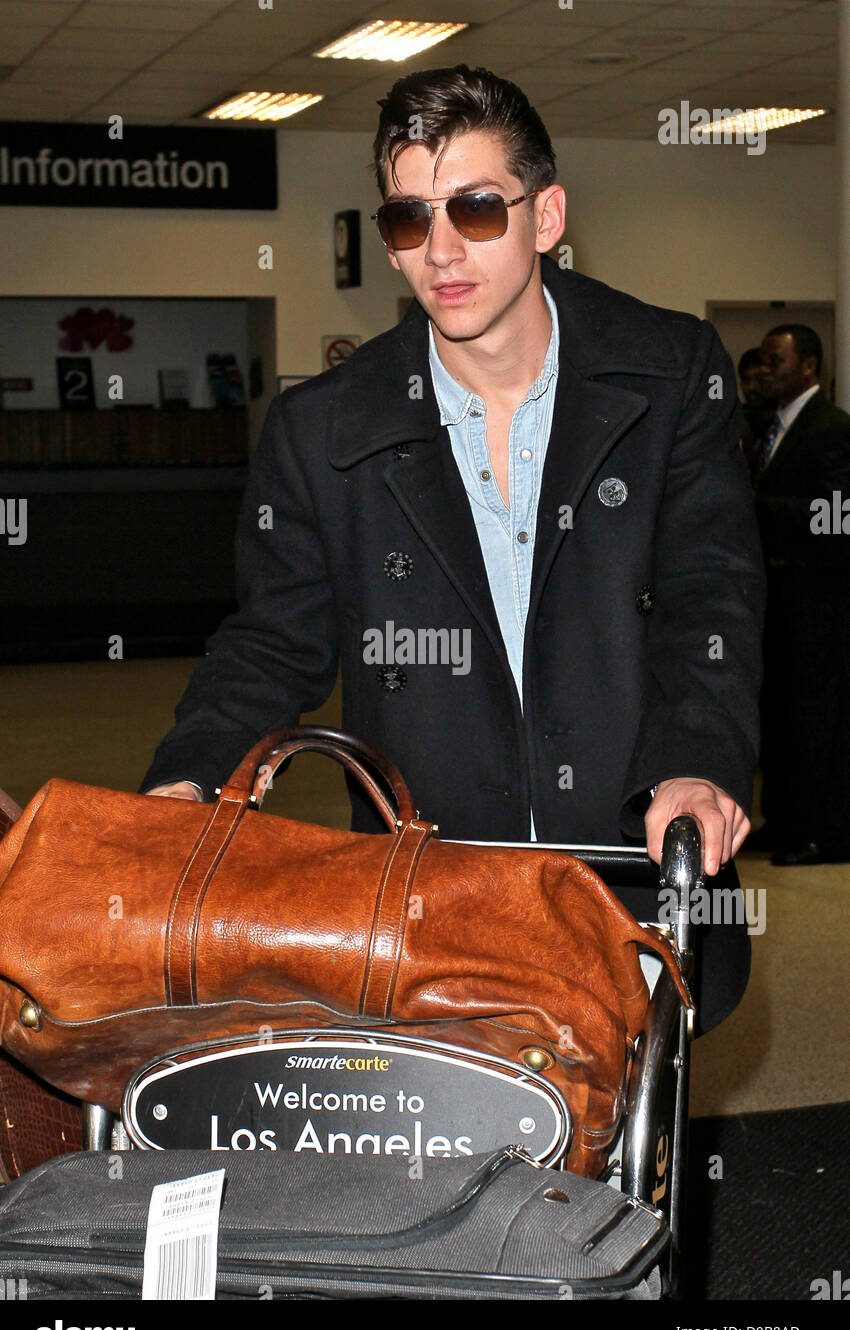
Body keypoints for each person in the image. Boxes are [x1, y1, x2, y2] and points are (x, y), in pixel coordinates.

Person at [140, 65, 766, 1033]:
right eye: (407, 218)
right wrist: (188, 781)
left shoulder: (670, 370)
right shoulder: (322, 427)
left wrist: (694, 766)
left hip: (623, 870)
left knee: (618, 1163)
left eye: (475, 209)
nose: (439, 250)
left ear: (544, 215)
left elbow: (707, 593)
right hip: (421, 884)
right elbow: (272, 640)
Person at [751, 323, 850, 864]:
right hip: (781, 599)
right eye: (764, 361)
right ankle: (786, 822)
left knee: (819, 718)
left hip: (819, 601)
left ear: (808, 366)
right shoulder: (776, 426)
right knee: (783, 716)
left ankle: (827, 832)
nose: (765, 370)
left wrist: (757, 506)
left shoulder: (832, 428)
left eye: (775, 361)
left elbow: (838, 516)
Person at [738, 346, 775, 480]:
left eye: (759, 379)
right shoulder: (734, 419)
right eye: (746, 379)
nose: (751, 387)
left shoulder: (784, 421)